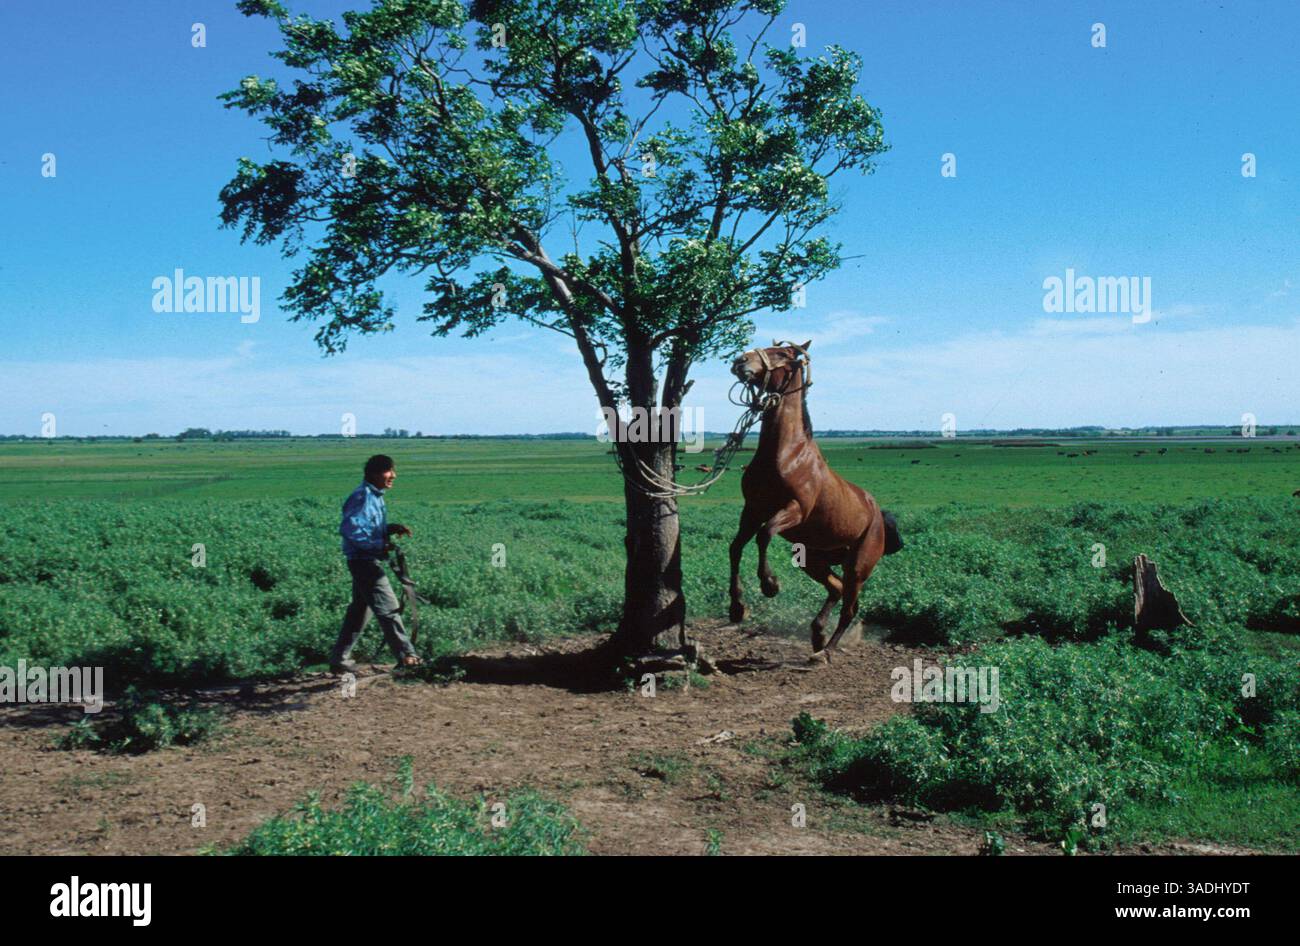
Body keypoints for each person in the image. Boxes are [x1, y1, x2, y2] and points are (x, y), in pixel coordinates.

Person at [330, 454, 423, 674]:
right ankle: (408, 657)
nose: (393, 475)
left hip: (365, 560)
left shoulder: (375, 496)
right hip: (364, 562)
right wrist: (378, 546)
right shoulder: (362, 496)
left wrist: (389, 529)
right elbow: (350, 529)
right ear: (374, 474)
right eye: (389, 471)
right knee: (389, 608)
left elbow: (365, 526)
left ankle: (339, 659)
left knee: (360, 611)